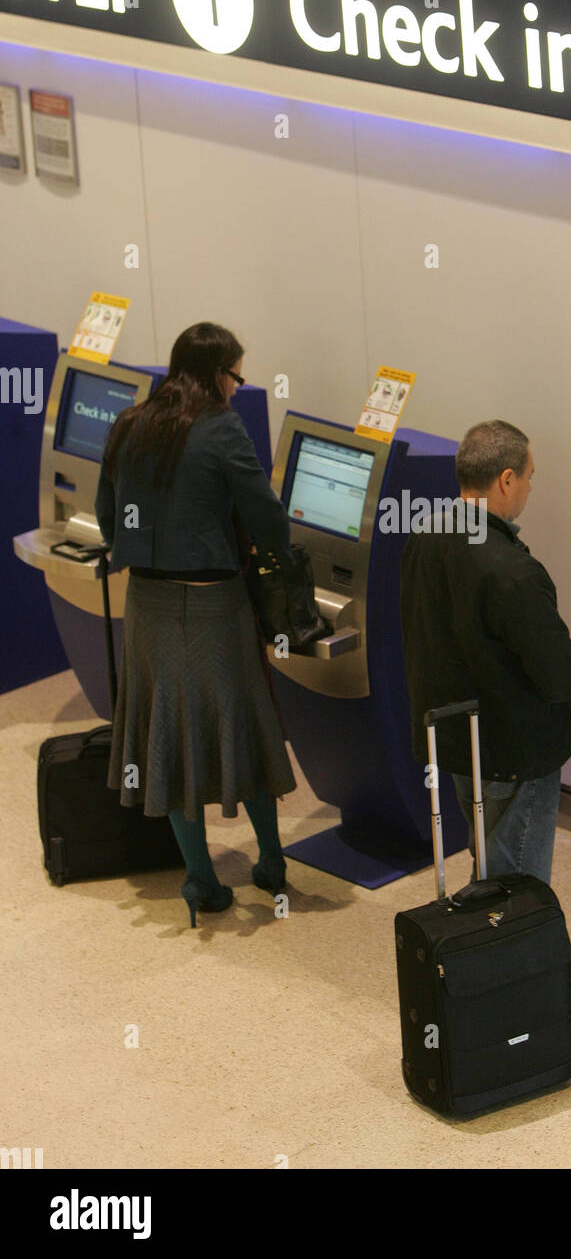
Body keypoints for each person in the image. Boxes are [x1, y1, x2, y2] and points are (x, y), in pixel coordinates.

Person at [95, 322, 296, 927]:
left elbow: (109, 518)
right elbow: (266, 516)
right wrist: (282, 562)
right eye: (235, 374)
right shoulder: (222, 428)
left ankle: (200, 881)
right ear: (215, 373)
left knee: (168, 737)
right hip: (215, 606)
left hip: (148, 609)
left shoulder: (128, 425)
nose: (238, 387)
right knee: (246, 723)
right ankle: (272, 862)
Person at [400, 419, 571, 884]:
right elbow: (556, 676)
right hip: (514, 753)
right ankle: (504, 953)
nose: (530, 489)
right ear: (506, 479)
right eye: (529, 476)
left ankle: (484, 946)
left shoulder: (426, 535)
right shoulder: (512, 569)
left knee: (490, 860)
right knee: (516, 887)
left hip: (458, 740)